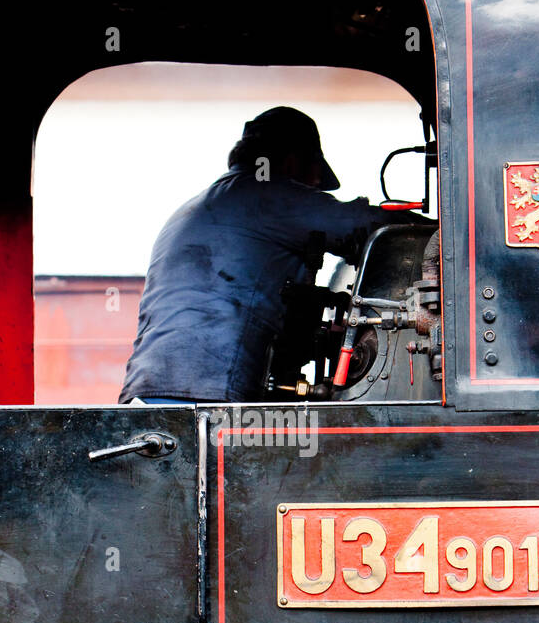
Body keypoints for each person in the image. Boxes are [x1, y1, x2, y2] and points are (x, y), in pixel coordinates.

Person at [119, 106, 391, 404]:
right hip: (208, 396)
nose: (314, 189)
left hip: (147, 393)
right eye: (314, 178)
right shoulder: (268, 196)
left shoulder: (198, 207)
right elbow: (363, 225)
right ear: (291, 161)